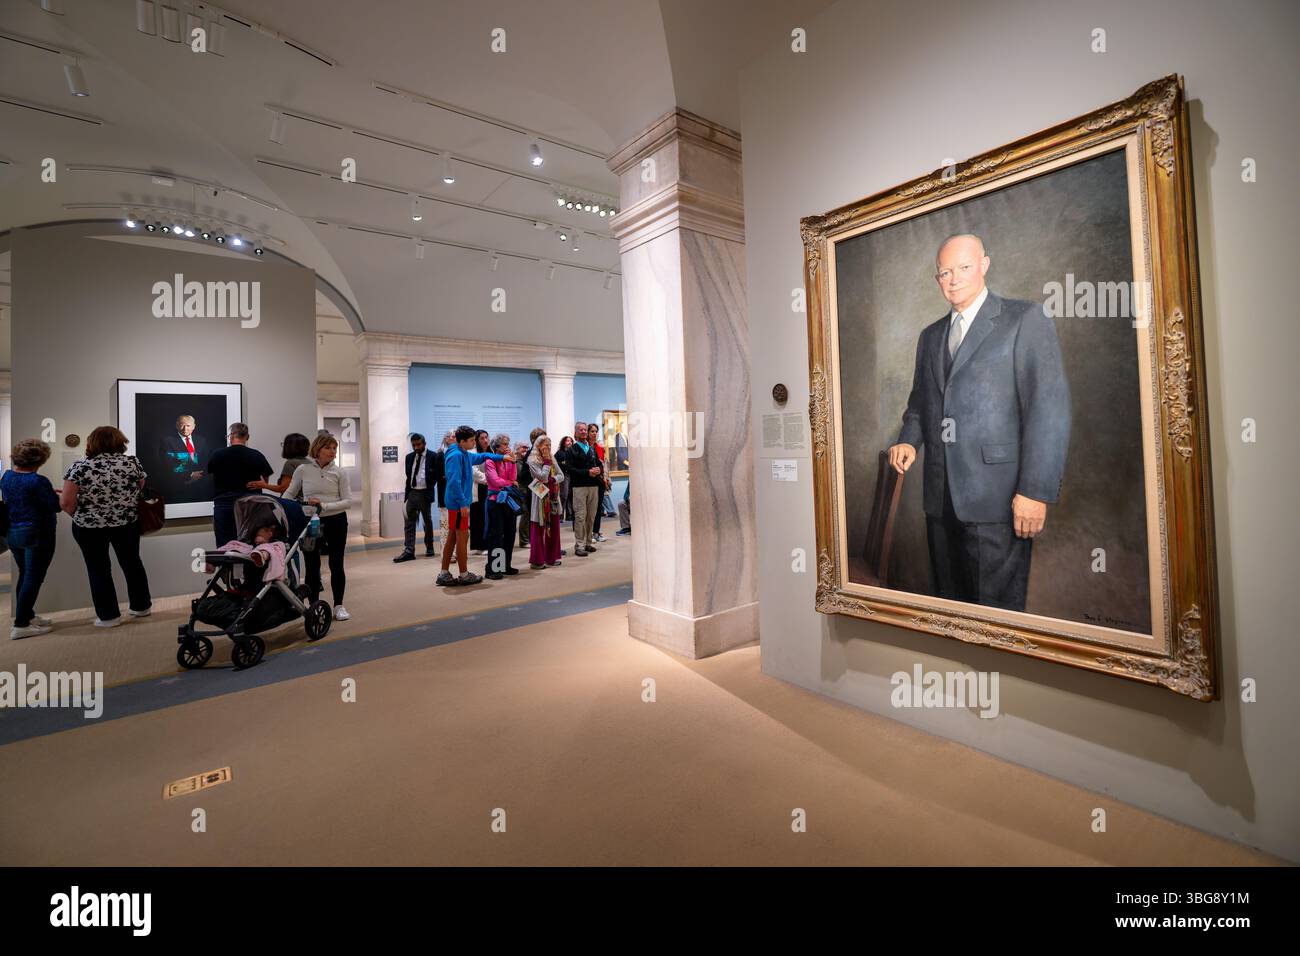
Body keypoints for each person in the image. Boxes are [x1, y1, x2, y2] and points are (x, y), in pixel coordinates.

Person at [886, 233, 1070, 611]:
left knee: (997, 617)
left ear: (984, 265)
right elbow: (921, 402)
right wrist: (908, 439)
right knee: (950, 612)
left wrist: (1035, 491)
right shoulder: (930, 336)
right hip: (940, 501)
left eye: (964, 268)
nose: (954, 279)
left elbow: (1048, 409)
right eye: (944, 273)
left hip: (999, 501)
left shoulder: (1025, 319)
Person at [59, 425, 153, 627]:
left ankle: (109, 616)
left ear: (92, 443)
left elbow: (66, 502)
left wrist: (82, 515)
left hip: (90, 527)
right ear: (120, 442)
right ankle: (141, 606)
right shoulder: (131, 463)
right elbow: (140, 487)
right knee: (132, 563)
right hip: (126, 523)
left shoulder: (80, 467)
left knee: (98, 569)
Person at [287, 433, 354, 621]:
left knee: (336, 563)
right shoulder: (303, 469)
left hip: (336, 522)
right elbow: (289, 494)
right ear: (317, 449)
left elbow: (348, 502)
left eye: (335, 448)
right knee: (312, 565)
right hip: (310, 522)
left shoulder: (340, 472)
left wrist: (324, 506)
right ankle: (314, 605)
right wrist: (289, 509)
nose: (333, 452)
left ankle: (338, 605)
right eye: (328, 448)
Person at [437, 425, 510, 587]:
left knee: (453, 537)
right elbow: (454, 482)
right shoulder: (456, 456)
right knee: (462, 538)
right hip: (457, 504)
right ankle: (463, 574)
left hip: (458, 503)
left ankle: (444, 573)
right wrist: (463, 504)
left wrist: (501, 458)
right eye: (471, 441)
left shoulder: (464, 453)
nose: (474, 443)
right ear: (462, 441)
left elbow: (481, 456)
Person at [2, 439, 60, 638]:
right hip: (37, 533)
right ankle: (21, 625)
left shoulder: (7, 477)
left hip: (14, 533)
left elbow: (22, 498)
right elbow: (55, 506)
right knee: (33, 578)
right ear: (40, 459)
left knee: (25, 574)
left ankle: (26, 615)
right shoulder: (38, 481)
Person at [206, 422, 273, 547]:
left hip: (224, 503)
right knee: (250, 542)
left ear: (231, 436)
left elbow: (210, 475)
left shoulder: (217, 455)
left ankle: (226, 566)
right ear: (247, 437)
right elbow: (265, 480)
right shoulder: (256, 455)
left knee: (224, 544)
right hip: (250, 504)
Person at [394, 432, 441, 562]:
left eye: (418, 444)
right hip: (412, 493)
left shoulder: (433, 456)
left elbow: (436, 475)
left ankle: (429, 547)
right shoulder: (409, 457)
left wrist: (429, 485)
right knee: (409, 522)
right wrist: (407, 496)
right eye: (413, 445)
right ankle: (409, 550)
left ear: (424, 443)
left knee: (427, 521)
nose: (416, 447)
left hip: (425, 493)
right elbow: (408, 478)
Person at [483, 434, 520, 579]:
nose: (507, 447)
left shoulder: (508, 460)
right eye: (504, 444)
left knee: (510, 534)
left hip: (508, 500)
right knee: (496, 535)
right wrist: (510, 483)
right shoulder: (490, 460)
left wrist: (514, 462)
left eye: (508, 443)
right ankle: (493, 569)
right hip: (495, 501)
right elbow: (495, 481)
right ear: (496, 447)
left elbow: (513, 477)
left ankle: (505, 565)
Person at [564, 420, 603, 557]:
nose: (584, 431)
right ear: (575, 433)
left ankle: (588, 543)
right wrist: (587, 472)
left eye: (585, 429)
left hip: (593, 486)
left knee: (591, 516)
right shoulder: (571, 450)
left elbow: (599, 464)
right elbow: (569, 469)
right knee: (580, 516)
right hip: (579, 487)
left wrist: (599, 469)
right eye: (580, 430)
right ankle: (579, 545)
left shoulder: (591, 449)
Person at [526, 436, 564, 569]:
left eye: (549, 445)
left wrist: (552, 479)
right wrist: (547, 462)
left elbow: (561, 475)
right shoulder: (532, 459)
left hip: (552, 496)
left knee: (553, 526)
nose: (547, 448)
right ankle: (537, 560)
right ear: (538, 446)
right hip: (539, 493)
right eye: (545, 445)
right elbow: (541, 477)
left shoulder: (552, 457)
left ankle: (551, 557)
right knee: (539, 526)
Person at [156, 414, 208, 499]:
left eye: (188, 425)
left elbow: (206, 460)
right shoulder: (167, 441)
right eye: (182, 425)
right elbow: (168, 464)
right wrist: (190, 474)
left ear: (193, 426)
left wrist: (201, 475)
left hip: (200, 485)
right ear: (177, 425)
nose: (185, 428)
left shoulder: (201, 440)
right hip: (178, 485)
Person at [247, 433, 312, 497]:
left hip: (293, 503)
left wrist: (264, 485)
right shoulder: (309, 462)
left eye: (284, 444)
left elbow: (284, 488)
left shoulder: (290, 463)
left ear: (290, 447)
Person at [517, 429, 544, 548]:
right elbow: (530, 474)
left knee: (538, 511)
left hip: (535, 484)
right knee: (527, 512)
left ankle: (534, 539)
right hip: (529, 485)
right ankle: (524, 540)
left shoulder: (539, 452)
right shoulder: (532, 453)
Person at [587, 422, 610, 542]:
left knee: (598, 508)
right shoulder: (584, 447)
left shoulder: (599, 448)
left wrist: (605, 478)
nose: (594, 433)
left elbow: (603, 465)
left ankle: (596, 532)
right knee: (590, 510)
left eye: (596, 431)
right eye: (592, 431)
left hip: (599, 481)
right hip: (589, 482)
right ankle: (589, 533)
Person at [469, 429, 490, 554]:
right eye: (482, 438)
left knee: (486, 517)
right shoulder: (473, 452)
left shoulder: (490, 451)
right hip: (479, 487)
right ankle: (479, 546)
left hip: (489, 487)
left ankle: (484, 544)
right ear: (476, 440)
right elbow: (474, 472)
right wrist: (489, 479)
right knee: (477, 517)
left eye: (486, 437)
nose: (485, 440)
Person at [556, 435, 575, 521]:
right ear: (563, 443)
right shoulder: (559, 453)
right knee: (564, 495)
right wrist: (563, 463)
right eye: (567, 441)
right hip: (564, 476)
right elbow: (555, 465)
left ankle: (569, 515)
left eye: (570, 441)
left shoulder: (573, 452)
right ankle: (560, 515)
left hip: (572, 475)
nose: (569, 442)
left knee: (571, 495)